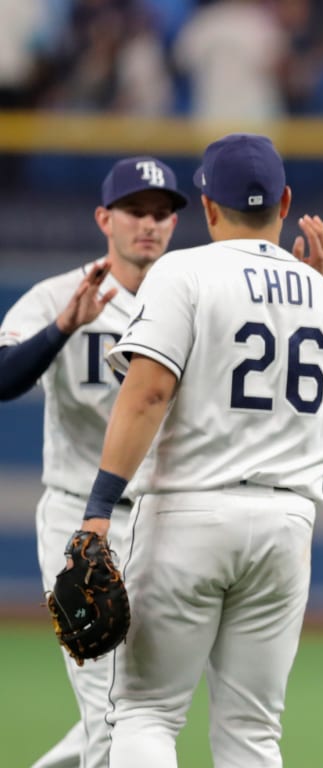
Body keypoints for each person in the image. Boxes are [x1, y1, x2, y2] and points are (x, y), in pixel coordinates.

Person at [73, 132, 323, 767]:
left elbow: (146, 395)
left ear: (205, 207)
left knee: (146, 713)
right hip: (287, 526)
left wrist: (98, 510)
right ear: (284, 203)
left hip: (190, 513)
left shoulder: (184, 270)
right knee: (253, 732)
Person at [0, 156, 183, 768]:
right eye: (135, 211)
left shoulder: (190, 296)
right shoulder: (59, 294)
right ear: (105, 218)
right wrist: (60, 328)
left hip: (162, 523)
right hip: (79, 522)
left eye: (162, 214)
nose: (149, 225)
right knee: (115, 714)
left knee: (138, 706)